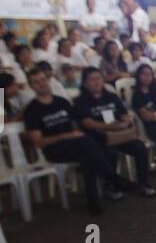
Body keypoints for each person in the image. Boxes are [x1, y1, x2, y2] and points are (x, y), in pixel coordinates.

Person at [22, 67, 126, 215]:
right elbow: (39, 142)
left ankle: (94, 201)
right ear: (31, 86)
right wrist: (65, 136)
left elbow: (76, 127)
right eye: (36, 82)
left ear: (48, 80)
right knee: (86, 144)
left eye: (43, 80)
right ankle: (112, 178)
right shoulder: (32, 110)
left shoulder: (62, 102)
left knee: (87, 156)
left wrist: (75, 135)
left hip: (75, 145)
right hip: (54, 149)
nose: (41, 84)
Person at [72, 67, 155, 198]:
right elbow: (87, 123)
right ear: (85, 83)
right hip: (97, 137)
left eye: (98, 78)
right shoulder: (80, 101)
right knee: (110, 153)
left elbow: (122, 114)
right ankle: (111, 186)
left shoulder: (111, 96)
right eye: (92, 80)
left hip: (118, 135)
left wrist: (125, 121)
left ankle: (143, 183)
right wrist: (109, 127)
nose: (96, 82)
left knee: (140, 147)